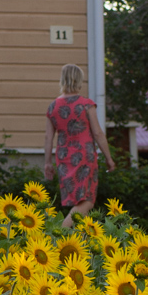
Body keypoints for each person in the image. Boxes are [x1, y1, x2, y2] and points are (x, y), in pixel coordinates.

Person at [44, 64, 115, 229]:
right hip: (84, 156)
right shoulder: (86, 104)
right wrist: (109, 158)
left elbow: (48, 137)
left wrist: (47, 162)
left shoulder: (53, 107)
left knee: (77, 201)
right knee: (87, 201)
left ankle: (78, 240)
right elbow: (97, 133)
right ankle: (60, 233)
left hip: (63, 157)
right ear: (79, 80)